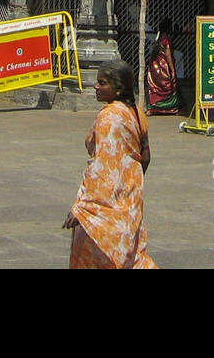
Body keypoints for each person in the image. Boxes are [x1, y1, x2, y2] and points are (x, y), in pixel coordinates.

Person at [62, 60, 157, 269]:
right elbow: (146, 155)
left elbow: (102, 168)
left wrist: (82, 208)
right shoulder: (136, 112)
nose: (96, 87)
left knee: (97, 253)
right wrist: (132, 182)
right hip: (130, 195)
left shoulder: (109, 117)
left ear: (118, 88)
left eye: (102, 83)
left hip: (105, 202)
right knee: (132, 254)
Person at [145, 20, 182, 116]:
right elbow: (168, 55)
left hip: (154, 69)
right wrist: (172, 70)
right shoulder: (166, 40)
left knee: (156, 88)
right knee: (169, 85)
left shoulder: (158, 39)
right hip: (163, 68)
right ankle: (170, 108)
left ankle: (154, 108)